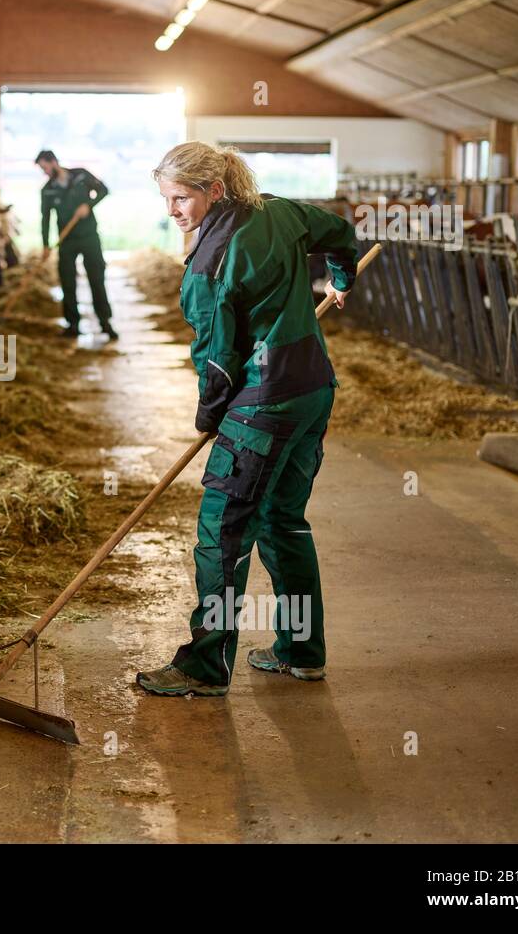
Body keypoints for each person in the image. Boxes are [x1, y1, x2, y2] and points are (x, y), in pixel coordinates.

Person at [135, 141, 357, 698]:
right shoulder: (278, 211)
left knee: (222, 538)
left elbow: (217, 362)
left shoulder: (208, 266)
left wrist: (210, 417)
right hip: (312, 390)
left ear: (214, 190)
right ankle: (301, 651)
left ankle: (206, 666)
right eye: (166, 199)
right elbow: (341, 234)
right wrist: (342, 279)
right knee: (284, 523)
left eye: (181, 198)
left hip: (263, 406)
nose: (173, 211)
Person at [36, 150, 117, 340]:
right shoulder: (47, 190)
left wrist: (89, 204)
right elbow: (45, 218)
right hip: (67, 241)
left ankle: (105, 322)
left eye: (45, 167)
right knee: (67, 281)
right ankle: (72, 324)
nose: (45, 172)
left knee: (96, 278)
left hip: (89, 236)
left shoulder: (81, 175)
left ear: (54, 161)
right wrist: (46, 245)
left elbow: (104, 190)